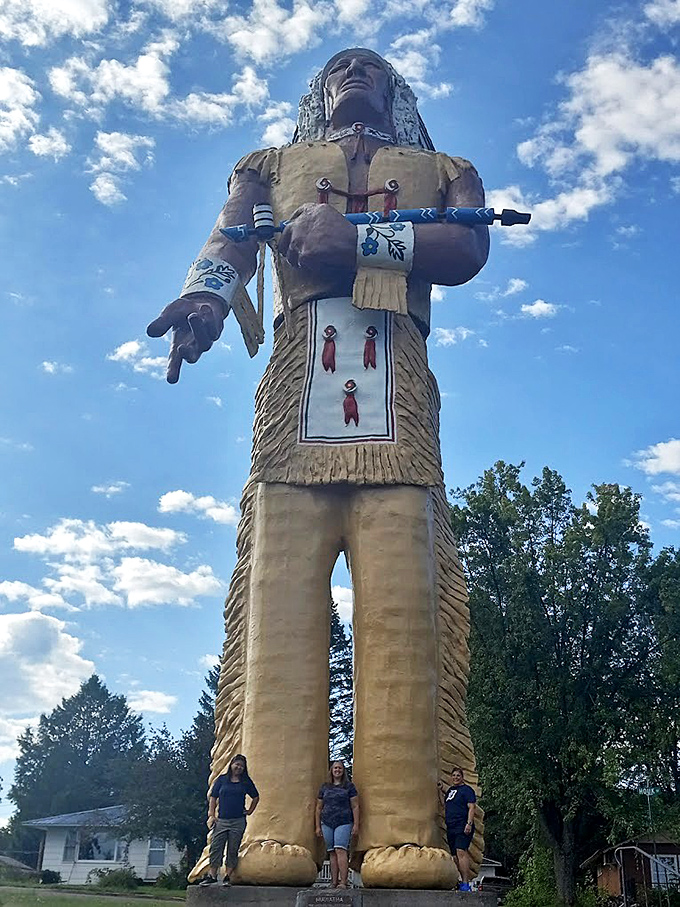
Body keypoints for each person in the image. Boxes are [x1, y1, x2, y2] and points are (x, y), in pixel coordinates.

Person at [149, 48, 488, 889]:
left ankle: (408, 830)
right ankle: (266, 828)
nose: (355, 76)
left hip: (400, 413)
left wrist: (359, 238)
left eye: (371, 68)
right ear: (318, 97)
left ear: (397, 93)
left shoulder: (446, 170)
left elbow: (468, 248)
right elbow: (230, 234)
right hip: (295, 406)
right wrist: (205, 297)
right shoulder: (269, 167)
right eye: (340, 70)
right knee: (276, 611)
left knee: (405, 613)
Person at [199, 754, 259, 887]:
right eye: (237, 764)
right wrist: (211, 814)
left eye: (241, 766)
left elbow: (255, 796)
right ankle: (212, 875)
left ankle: (228, 876)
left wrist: (249, 811)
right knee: (216, 848)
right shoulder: (222, 780)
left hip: (238, 821)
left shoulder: (245, 782)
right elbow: (213, 797)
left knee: (233, 849)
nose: (238, 767)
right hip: (222, 820)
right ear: (231, 765)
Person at [315, 760, 360, 889]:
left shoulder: (349, 787)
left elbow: (355, 806)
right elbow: (318, 807)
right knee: (332, 852)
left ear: (343, 770)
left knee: (340, 850)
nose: (337, 770)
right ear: (331, 770)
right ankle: (333, 881)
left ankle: (343, 882)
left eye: (340, 768)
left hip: (344, 821)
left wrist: (356, 824)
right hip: (327, 822)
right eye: (335, 768)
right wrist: (317, 826)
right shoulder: (325, 787)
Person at [438, 767, 477, 891]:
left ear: (462, 777)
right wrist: (440, 788)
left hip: (462, 824)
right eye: (454, 775)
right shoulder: (450, 791)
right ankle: (460, 880)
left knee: (461, 852)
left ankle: (466, 883)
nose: (455, 777)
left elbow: (471, 807)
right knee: (454, 856)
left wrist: (469, 823)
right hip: (451, 826)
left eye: (458, 775)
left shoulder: (467, 790)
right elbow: (445, 804)